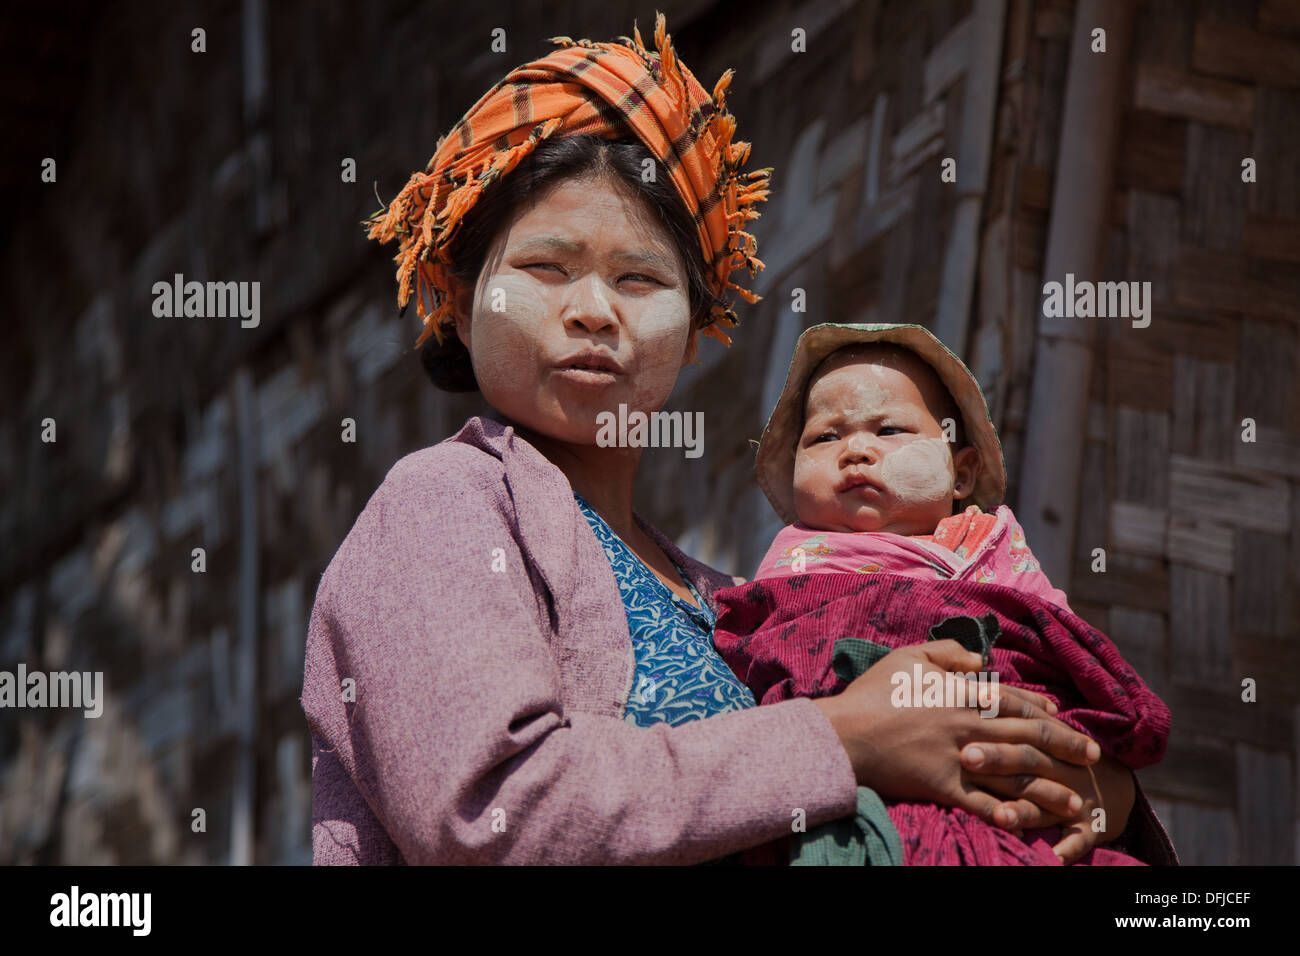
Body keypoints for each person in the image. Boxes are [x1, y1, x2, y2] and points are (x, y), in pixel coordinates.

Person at [300, 14, 1119, 865]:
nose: (592, 311)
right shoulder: (443, 506)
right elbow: (492, 812)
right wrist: (841, 737)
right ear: (465, 305)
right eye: (545, 268)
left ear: (695, 332)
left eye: (640, 278)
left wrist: (1100, 790)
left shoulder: (731, 598)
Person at [712, 323, 1178, 865]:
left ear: (961, 475)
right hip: (870, 776)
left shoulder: (992, 540)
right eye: (824, 437)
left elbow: (1054, 640)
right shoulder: (790, 563)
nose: (855, 450)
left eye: (888, 429)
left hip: (1006, 763)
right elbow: (765, 657)